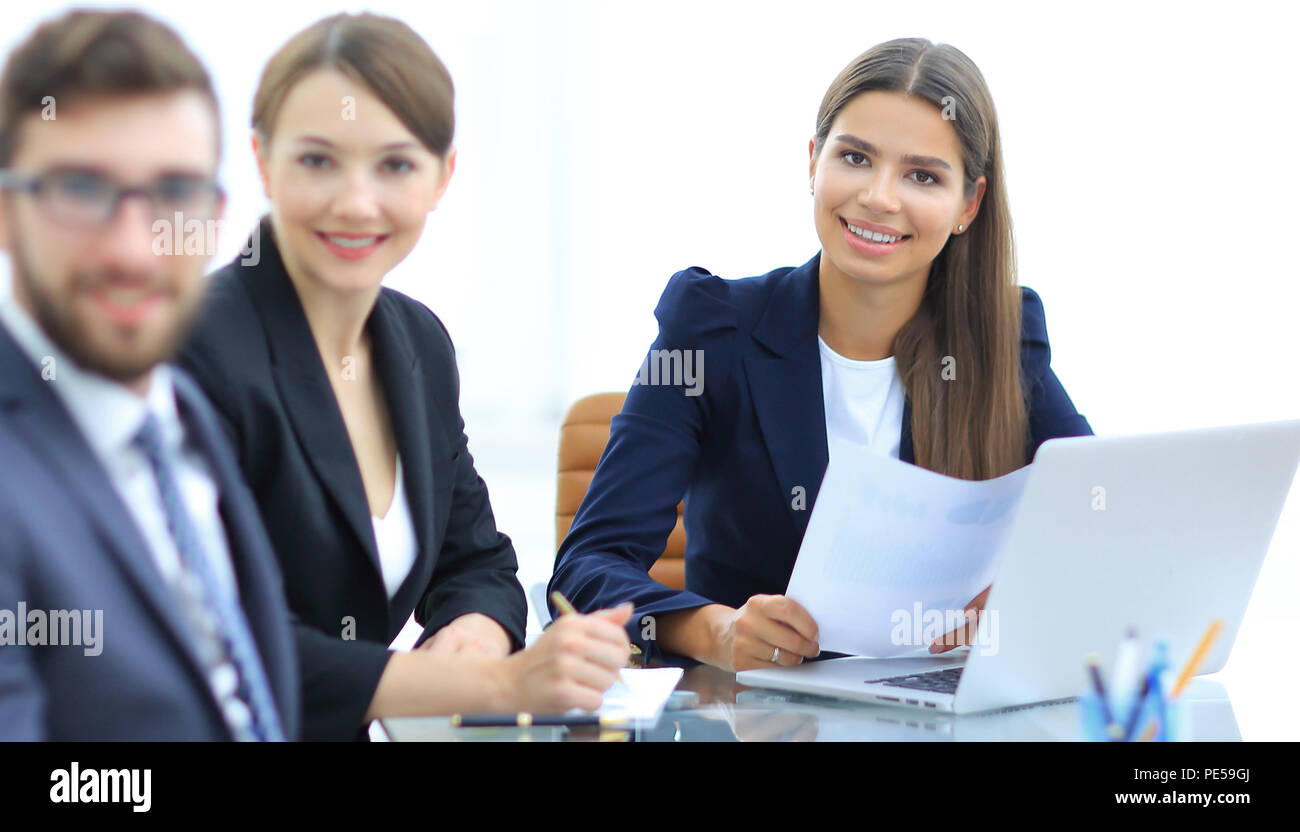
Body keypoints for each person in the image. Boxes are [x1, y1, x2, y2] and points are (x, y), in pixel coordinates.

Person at [549, 38, 1094, 672]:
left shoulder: (1000, 338)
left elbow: (1098, 514)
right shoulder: (712, 328)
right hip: (754, 717)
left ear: (968, 205)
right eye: (856, 158)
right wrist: (713, 631)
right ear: (813, 162)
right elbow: (587, 569)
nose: (879, 198)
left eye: (922, 175)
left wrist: (1023, 598)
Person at [176, 13, 631, 740]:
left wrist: (475, 630)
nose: (356, 202)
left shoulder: (417, 340)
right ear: (262, 163)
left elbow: (476, 557)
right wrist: (485, 680)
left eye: (394, 165)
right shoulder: (193, 345)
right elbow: (224, 637)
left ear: (442, 176)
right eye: (318, 161)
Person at [0, 9, 299, 740]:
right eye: (80, 189)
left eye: (174, 194)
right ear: (7, 211)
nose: (134, 249)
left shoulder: (180, 415)